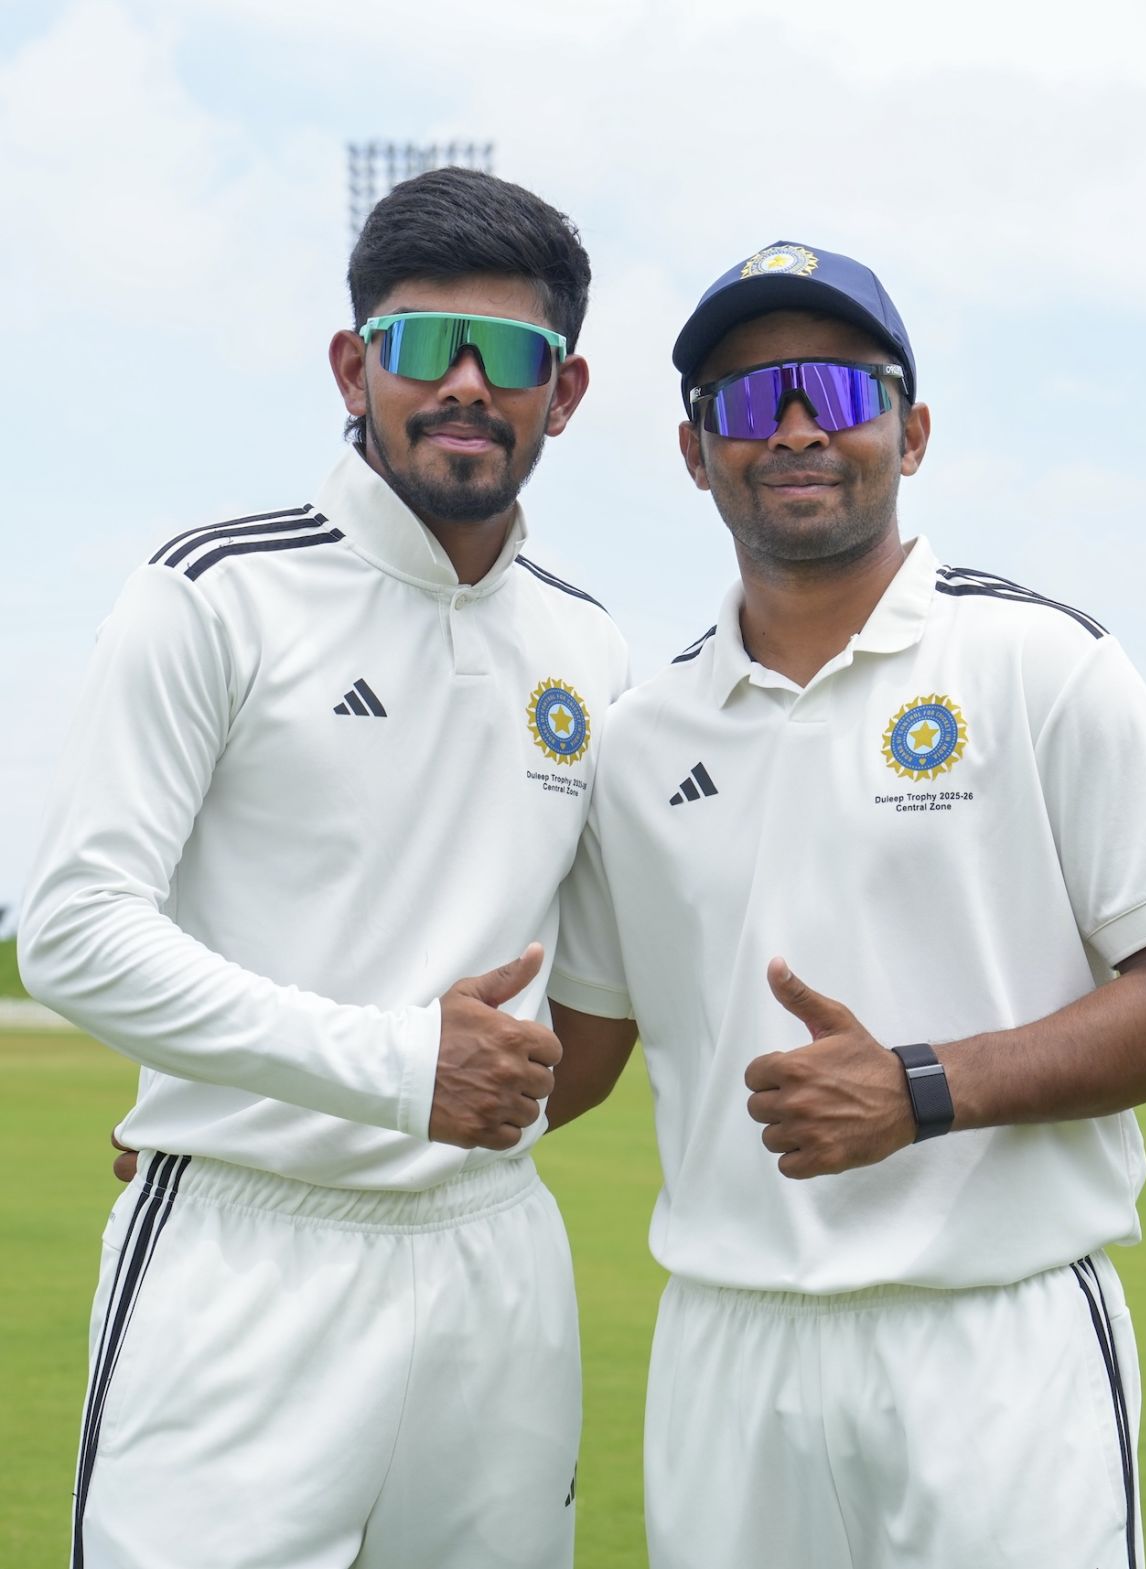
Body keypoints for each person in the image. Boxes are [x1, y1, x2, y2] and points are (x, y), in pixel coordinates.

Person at [545, 242, 1146, 1569]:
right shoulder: (639, 740)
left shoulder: (1041, 662)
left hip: (996, 1337)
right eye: (749, 402)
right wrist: (254, 1104)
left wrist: (922, 1085)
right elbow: (574, 1051)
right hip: (730, 1345)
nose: (796, 425)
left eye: (836, 390)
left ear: (909, 431)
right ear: (697, 456)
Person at [19, 167, 627, 1569]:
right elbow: (74, 929)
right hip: (244, 1251)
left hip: (493, 1261)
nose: (466, 384)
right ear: (355, 368)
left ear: (567, 391)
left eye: (513, 356)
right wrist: (380, 1070)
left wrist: (479, 1109)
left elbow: (607, 988)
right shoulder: (214, 591)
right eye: (422, 346)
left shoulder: (590, 650)